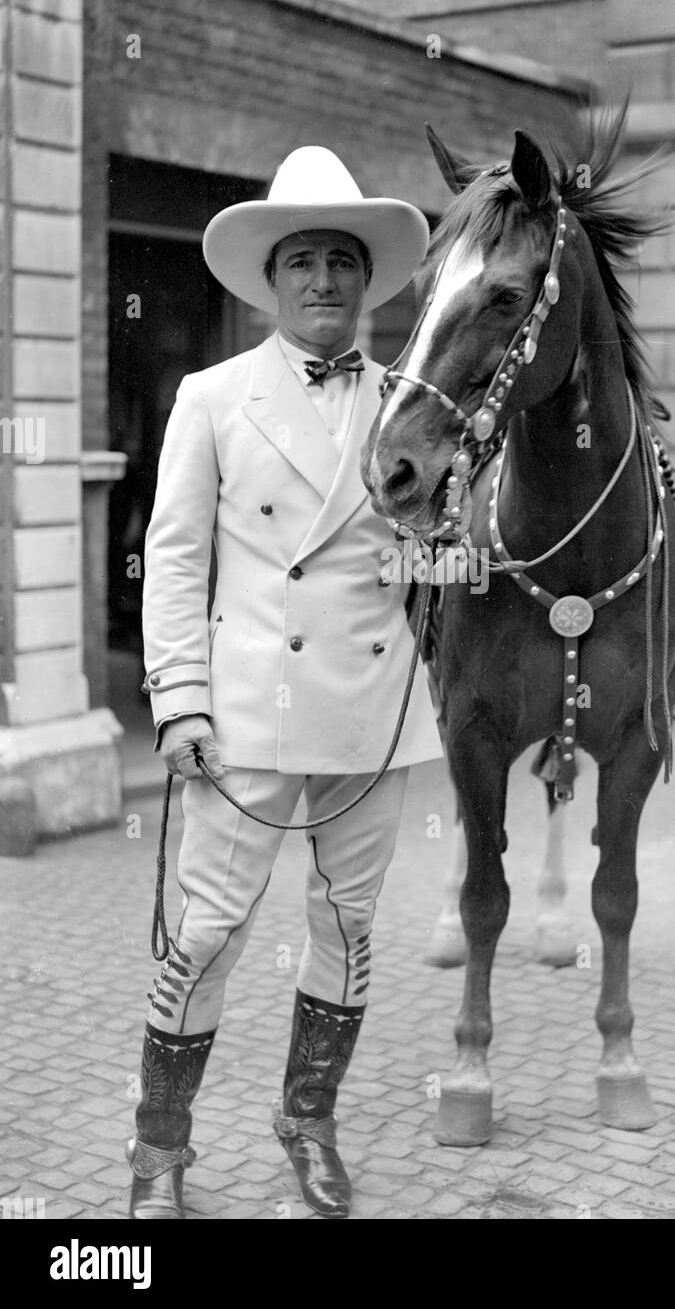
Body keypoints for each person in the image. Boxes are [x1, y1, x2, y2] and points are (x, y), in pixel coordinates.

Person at [127, 146, 442, 1220]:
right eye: (301, 260)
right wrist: (179, 700)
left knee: (348, 930)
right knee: (206, 931)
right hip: (243, 717)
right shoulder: (211, 398)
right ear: (272, 280)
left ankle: (309, 1124)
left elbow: (433, 563)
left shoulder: (414, 402)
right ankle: (159, 1151)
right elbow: (174, 560)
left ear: (367, 281)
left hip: (372, 712)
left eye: (341, 261)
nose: (321, 281)